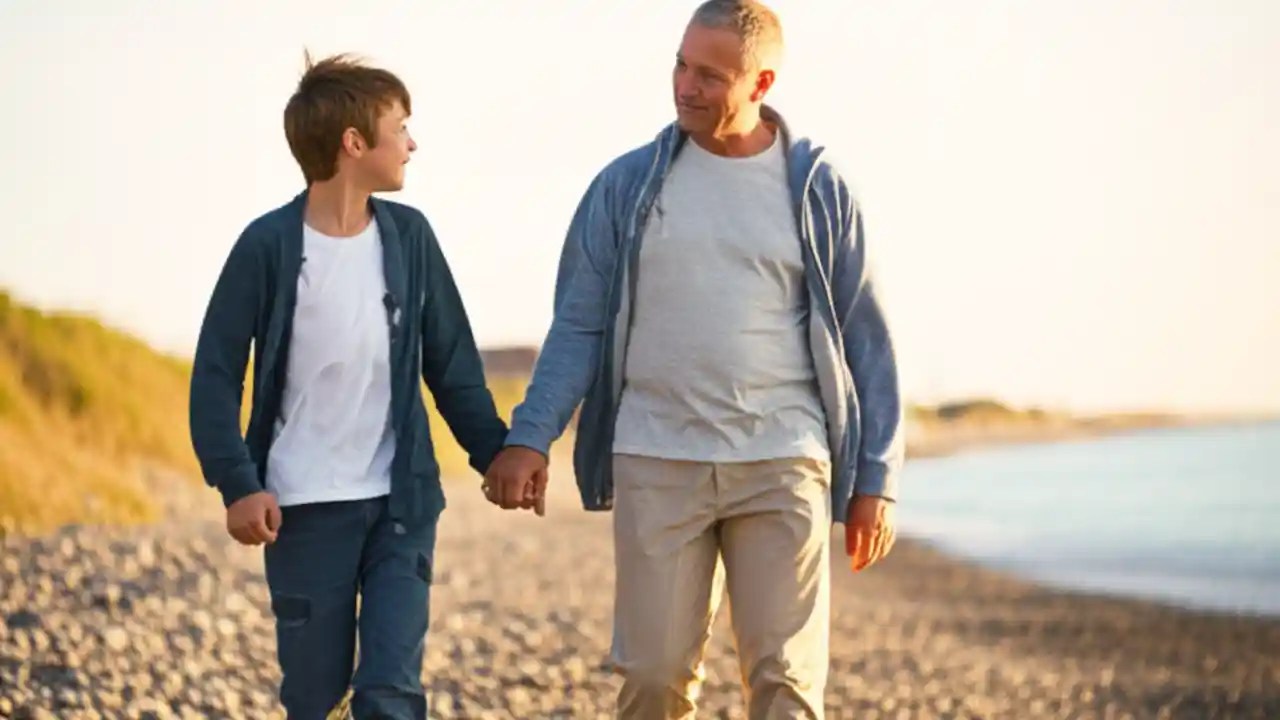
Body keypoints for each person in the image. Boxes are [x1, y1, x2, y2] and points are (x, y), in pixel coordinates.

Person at [484, 1, 905, 717]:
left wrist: (878, 479)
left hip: (782, 460)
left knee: (786, 685)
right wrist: (530, 435)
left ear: (761, 82)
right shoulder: (626, 186)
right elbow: (579, 324)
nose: (686, 85)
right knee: (652, 678)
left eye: (710, 75)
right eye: (681, 64)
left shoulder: (819, 190)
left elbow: (867, 339)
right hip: (657, 457)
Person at [188, 53, 509, 719]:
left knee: (390, 689)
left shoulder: (410, 237)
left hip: (401, 505)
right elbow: (216, 375)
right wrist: (238, 483)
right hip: (302, 511)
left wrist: (499, 454)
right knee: (315, 698)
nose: (412, 144)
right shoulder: (267, 246)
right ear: (354, 143)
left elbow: (451, 365)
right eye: (401, 127)